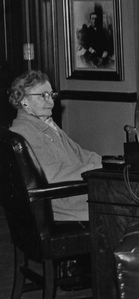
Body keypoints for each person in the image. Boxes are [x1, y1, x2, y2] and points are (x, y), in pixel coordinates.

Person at [8, 70, 102, 222]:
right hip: (63, 204)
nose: (51, 102)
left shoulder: (45, 124)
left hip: (75, 194)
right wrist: (97, 169)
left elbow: (79, 153)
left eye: (51, 95)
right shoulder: (23, 133)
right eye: (43, 96)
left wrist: (108, 163)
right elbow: (53, 175)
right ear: (24, 100)